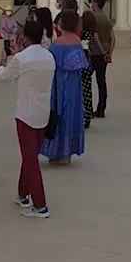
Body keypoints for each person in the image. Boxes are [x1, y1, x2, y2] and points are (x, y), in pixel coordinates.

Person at [0, 19, 55, 219]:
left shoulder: (21, 58)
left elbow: (4, 76)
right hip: (43, 112)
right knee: (30, 155)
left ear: (25, 37)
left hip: (25, 114)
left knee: (30, 160)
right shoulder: (49, 56)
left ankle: (40, 205)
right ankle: (23, 194)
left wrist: (1, 65)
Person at [42, 11, 89, 164]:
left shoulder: (57, 44)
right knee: (71, 114)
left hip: (58, 84)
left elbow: (50, 63)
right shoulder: (77, 42)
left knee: (57, 114)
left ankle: (55, 151)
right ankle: (67, 153)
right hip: (74, 86)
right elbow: (83, 65)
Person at [84, 0, 111, 119]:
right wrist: (109, 52)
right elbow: (112, 37)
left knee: (86, 79)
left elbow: (95, 37)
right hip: (105, 51)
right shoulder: (106, 18)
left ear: (95, 3)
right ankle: (101, 108)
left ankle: (87, 107)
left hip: (95, 53)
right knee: (101, 81)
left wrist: (102, 52)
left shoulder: (93, 17)